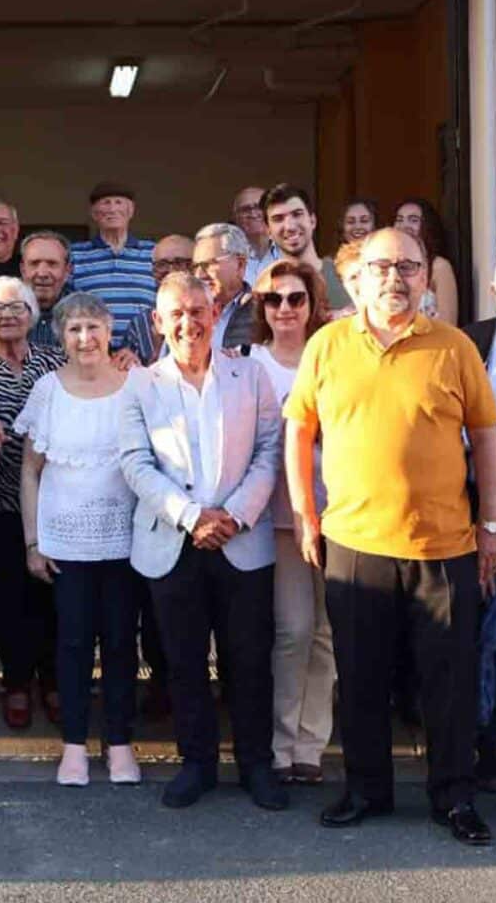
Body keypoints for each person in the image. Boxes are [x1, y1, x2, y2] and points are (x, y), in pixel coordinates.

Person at [287, 227, 496, 846]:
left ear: (425, 279)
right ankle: (366, 790)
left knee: (449, 683)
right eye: (382, 267)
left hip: (446, 547)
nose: (395, 279)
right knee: (361, 677)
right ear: (356, 276)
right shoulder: (327, 345)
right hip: (354, 544)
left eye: (409, 267)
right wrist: (306, 515)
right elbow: (299, 431)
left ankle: (454, 797)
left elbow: (486, 436)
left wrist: (491, 523)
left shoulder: (454, 346)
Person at [120, 273, 286, 812]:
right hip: (173, 541)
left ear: (215, 313)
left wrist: (234, 516)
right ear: (158, 323)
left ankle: (256, 765)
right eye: (177, 314)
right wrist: (192, 517)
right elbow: (136, 463)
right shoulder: (141, 384)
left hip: (243, 541)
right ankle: (197, 763)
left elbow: (269, 450)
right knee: (183, 660)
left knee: (248, 658)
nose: (189, 322)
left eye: (198, 310)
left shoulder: (251, 374)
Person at [16, 291, 140, 787]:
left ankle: (120, 745)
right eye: (74, 329)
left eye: (93, 328)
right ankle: (73, 746)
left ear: (110, 331)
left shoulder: (137, 386)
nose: (85, 338)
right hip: (64, 543)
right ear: (61, 337)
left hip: (125, 542)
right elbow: (30, 470)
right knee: (70, 643)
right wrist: (32, 541)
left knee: (119, 644)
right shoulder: (47, 390)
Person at [247, 259, 335, 785]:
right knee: (292, 630)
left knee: (326, 634)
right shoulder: (248, 362)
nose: (284, 308)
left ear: (312, 304)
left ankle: (311, 745)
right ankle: (280, 745)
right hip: (277, 517)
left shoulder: (331, 355)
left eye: (295, 298)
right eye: (273, 299)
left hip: (339, 509)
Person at [0, 276, 63, 731]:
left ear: (33, 315)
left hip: (54, 500)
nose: (8, 315)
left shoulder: (55, 362)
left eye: (17, 307)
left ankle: (52, 679)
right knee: (10, 597)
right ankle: (15, 681)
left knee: (53, 596)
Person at [70, 182, 158, 360]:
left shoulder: (153, 252)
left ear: (131, 210)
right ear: (94, 213)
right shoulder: (75, 254)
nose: (112, 209)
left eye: (118, 202)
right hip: (91, 355)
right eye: (106, 203)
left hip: (145, 358)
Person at [255, 184, 348, 311]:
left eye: (297, 214)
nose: (289, 227)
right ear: (268, 231)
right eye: (278, 219)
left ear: (313, 220)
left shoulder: (346, 276)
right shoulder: (264, 289)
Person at [122, 235, 194, 367]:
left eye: (179, 263)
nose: (171, 271)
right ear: (153, 272)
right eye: (162, 265)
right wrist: (157, 352)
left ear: (195, 267)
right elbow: (133, 380)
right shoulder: (140, 325)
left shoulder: (214, 316)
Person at [193, 223, 258, 355]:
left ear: (240, 265)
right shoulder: (186, 312)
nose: (199, 275)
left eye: (208, 264)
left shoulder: (263, 312)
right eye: (196, 266)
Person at [393, 197, 459, 322]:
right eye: (399, 220)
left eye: (413, 220)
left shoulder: (439, 267)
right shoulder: (390, 266)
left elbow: (449, 323)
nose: (404, 225)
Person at [20, 230, 77, 351]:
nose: (42, 273)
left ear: (68, 270)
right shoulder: (4, 312)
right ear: (23, 269)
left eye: (52, 264)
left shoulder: (86, 312)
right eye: (34, 264)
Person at [231, 185, 272, 262]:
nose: (253, 214)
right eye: (245, 209)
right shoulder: (227, 256)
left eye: (260, 207)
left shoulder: (290, 248)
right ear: (235, 218)